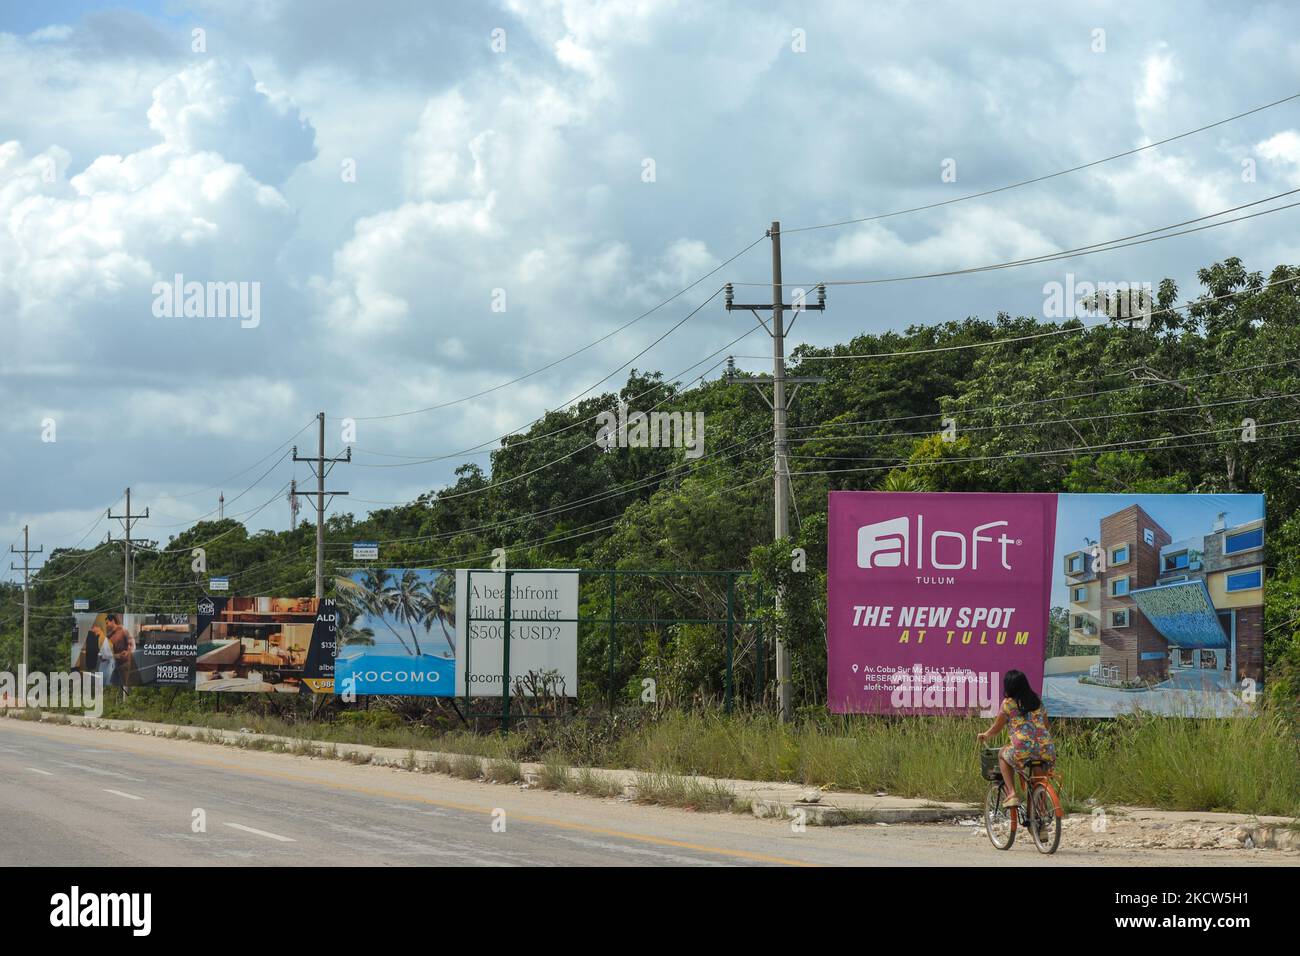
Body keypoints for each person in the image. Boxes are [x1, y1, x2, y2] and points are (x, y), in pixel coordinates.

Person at [977, 669, 1056, 808]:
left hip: (1022, 749)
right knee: (1038, 781)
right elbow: (1046, 725)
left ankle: (1012, 794)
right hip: (1046, 747)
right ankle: (1041, 818)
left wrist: (985, 735)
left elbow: (997, 727)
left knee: (1002, 754)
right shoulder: (1037, 701)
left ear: (1009, 686)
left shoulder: (1008, 704)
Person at [104, 614, 134, 688]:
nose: (106, 625)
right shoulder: (109, 635)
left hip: (124, 664)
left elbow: (131, 644)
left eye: (107, 623)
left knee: (125, 684)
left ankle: (128, 697)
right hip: (115, 664)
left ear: (113, 621)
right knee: (113, 683)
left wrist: (127, 652)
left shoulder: (123, 631)